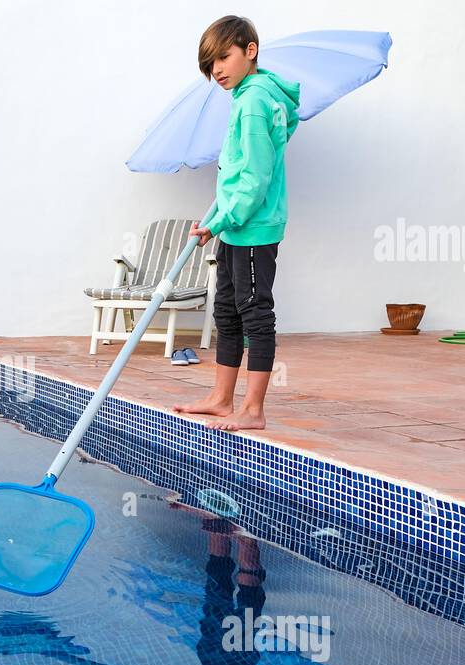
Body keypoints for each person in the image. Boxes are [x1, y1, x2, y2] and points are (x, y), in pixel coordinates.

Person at [173, 15, 299, 431]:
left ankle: (253, 410)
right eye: (210, 65)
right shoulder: (256, 96)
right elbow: (244, 166)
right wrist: (217, 218)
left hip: (251, 227)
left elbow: (256, 178)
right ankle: (221, 398)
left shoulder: (253, 101)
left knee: (254, 314)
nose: (217, 71)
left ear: (250, 50)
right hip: (235, 225)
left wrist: (223, 219)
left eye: (223, 58)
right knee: (226, 312)